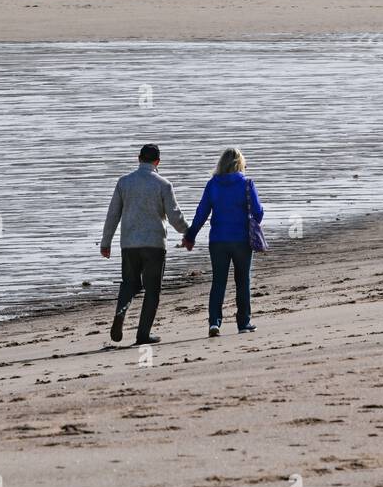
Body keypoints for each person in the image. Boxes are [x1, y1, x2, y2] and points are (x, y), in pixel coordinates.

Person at [100, 143, 190, 346]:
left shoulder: (124, 183)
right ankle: (142, 334)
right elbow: (175, 216)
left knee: (129, 283)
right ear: (158, 162)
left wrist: (106, 242)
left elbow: (113, 215)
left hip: (129, 244)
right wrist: (188, 232)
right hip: (154, 245)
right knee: (152, 290)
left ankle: (121, 313)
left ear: (138, 158)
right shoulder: (163, 184)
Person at [183, 146, 264, 337]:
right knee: (242, 281)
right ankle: (243, 323)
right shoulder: (247, 183)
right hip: (242, 241)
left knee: (218, 282)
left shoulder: (213, 184)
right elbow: (258, 213)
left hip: (218, 240)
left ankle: (214, 323)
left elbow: (201, 213)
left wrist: (190, 236)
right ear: (239, 163)